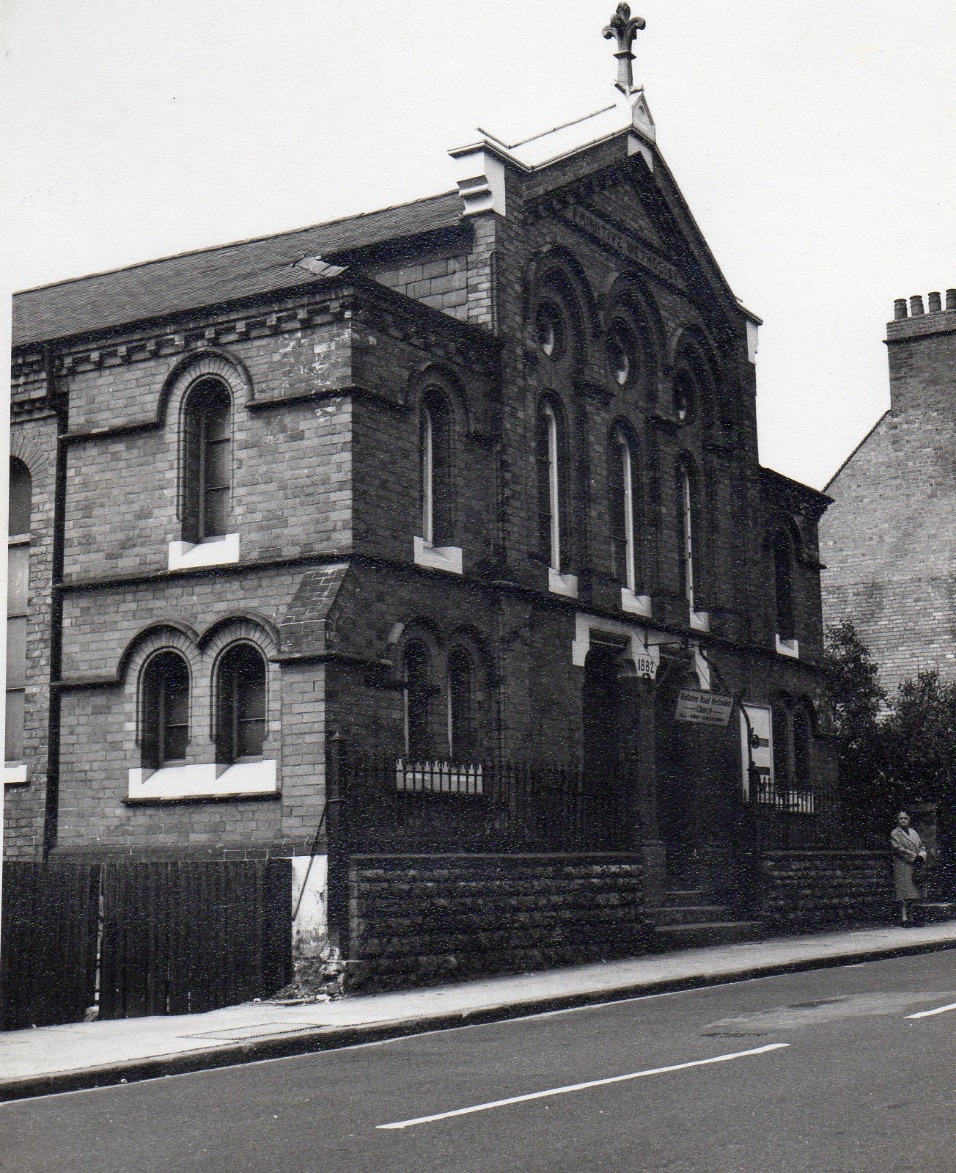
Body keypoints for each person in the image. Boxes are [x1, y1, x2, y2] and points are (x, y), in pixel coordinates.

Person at [891, 811, 927, 925]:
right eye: (900, 818)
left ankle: (912, 917)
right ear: (897, 820)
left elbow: (922, 846)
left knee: (914, 893)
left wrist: (921, 856)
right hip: (903, 865)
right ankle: (904, 917)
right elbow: (897, 848)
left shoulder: (914, 832)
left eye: (905, 818)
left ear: (909, 820)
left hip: (915, 865)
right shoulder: (895, 833)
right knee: (905, 893)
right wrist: (913, 857)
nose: (903, 820)